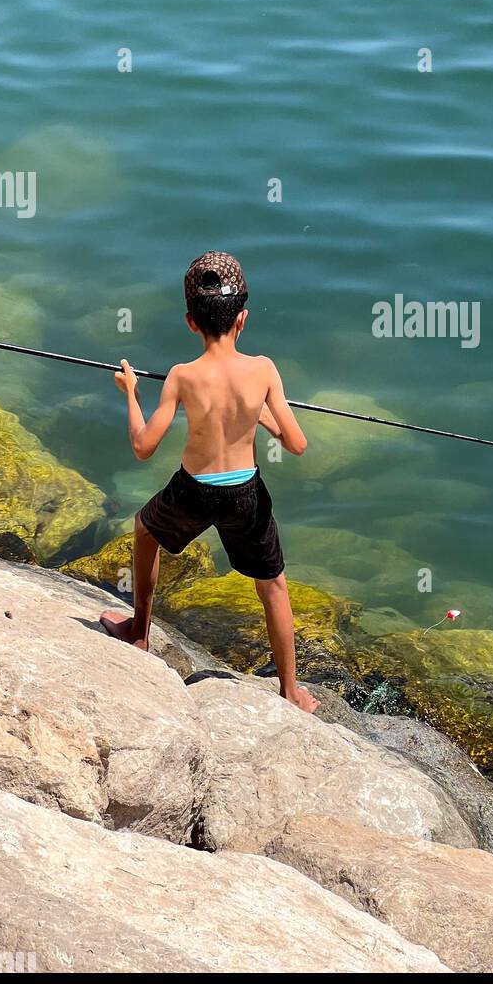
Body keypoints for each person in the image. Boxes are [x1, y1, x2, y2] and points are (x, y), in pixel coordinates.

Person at [100, 250, 319, 713]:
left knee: (144, 531)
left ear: (189, 322)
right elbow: (296, 443)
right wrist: (260, 413)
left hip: (194, 490)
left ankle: (138, 632)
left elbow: (143, 447)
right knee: (273, 585)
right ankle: (291, 691)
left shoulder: (182, 376)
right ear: (243, 319)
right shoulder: (264, 370)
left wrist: (132, 394)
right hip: (246, 495)